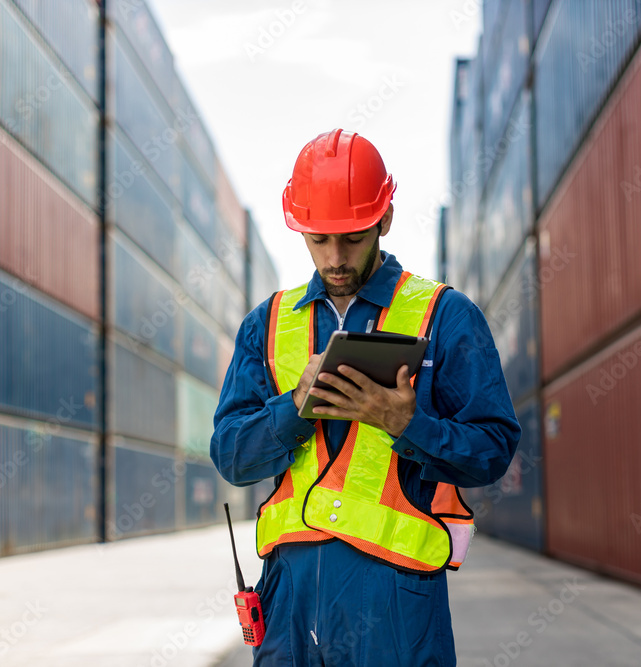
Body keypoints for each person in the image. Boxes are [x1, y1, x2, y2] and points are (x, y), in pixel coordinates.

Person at [211, 128, 521, 666]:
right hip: (288, 601)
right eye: (318, 238)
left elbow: (492, 450)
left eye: (352, 237)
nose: (335, 257)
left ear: (384, 220)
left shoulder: (444, 316)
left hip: (394, 607)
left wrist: (409, 424)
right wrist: (292, 410)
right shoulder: (266, 325)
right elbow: (232, 456)